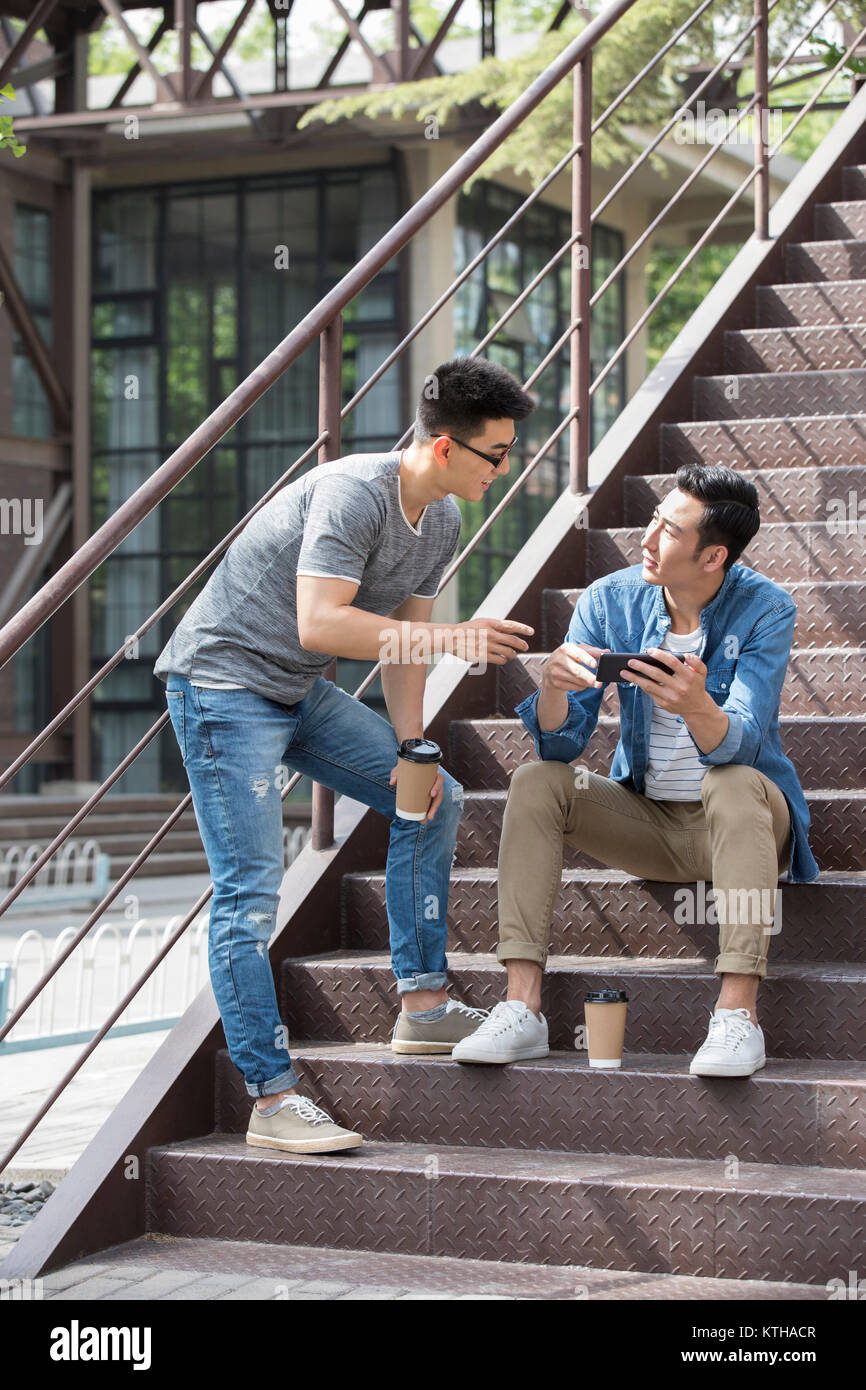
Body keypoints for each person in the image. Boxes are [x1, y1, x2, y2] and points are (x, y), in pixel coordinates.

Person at [154, 356, 537, 1152]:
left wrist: (412, 749)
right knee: (250, 893)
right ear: (444, 448)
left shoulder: (442, 520)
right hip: (223, 685)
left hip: (293, 692)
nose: (507, 467)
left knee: (436, 798)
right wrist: (451, 637)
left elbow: (403, 651)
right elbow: (321, 626)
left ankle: (423, 1006)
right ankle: (270, 1097)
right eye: (496, 454)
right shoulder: (352, 493)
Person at [452, 464, 819, 1077]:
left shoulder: (765, 610)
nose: (646, 539)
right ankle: (522, 1007)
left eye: (669, 531)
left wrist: (697, 707)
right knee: (535, 783)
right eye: (653, 518)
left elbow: (745, 743)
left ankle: (737, 1016)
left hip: (743, 825)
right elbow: (560, 748)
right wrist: (551, 688)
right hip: (645, 822)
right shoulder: (609, 600)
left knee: (730, 782)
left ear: (713, 557)